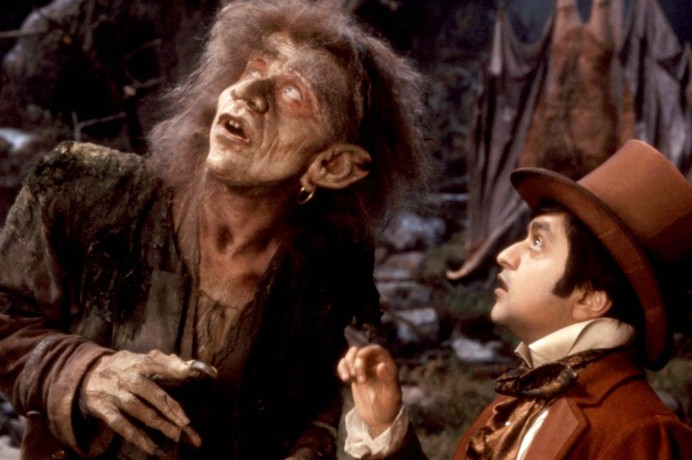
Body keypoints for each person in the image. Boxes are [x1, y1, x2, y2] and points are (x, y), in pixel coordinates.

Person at [0, 0, 428, 458]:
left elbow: (319, 386)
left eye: (293, 95)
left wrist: (313, 443)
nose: (248, 93)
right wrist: (83, 372)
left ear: (333, 166)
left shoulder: (328, 265)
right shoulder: (81, 190)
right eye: (253, 69)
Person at [338, 139, 692, 459]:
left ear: (591, 297)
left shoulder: (641, 433)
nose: (506, 255)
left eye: (538, 243)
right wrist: (388, 432)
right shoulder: (518, 401)